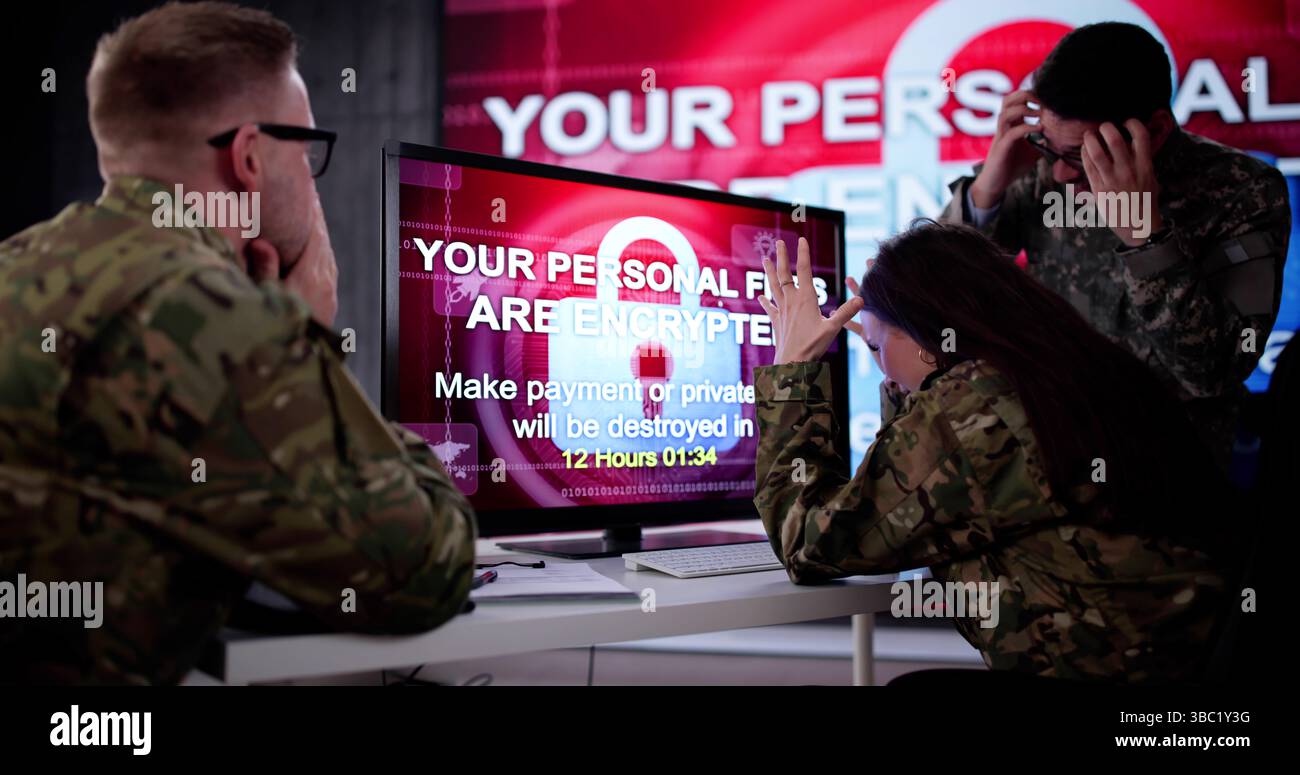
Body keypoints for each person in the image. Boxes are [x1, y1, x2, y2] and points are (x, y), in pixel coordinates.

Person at [0, 2, 475, 685]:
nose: (311, 174)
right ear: (250, 156)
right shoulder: (220, 325)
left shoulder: (17, 261)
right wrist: (302, 339)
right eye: (306, 151)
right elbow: (423, 571)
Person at [753, 222, 1229, 683]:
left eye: (877, 346)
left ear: (925, 333)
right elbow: (910, 501)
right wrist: (902, 369)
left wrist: (793, 372)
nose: (882, 368)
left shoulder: (974, 405)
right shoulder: (1057, 369)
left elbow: (809, 543)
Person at [941, 21, 1291, 472]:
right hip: (1051, 457)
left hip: (1176, 471)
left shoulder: (1244, 191)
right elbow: (947, 287)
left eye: (1079, 157)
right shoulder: (1043, 169)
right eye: (1048, 147)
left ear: (1157, 129)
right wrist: (988, 188)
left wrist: (1147, 239)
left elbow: (1213, 371)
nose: (1063, 176)